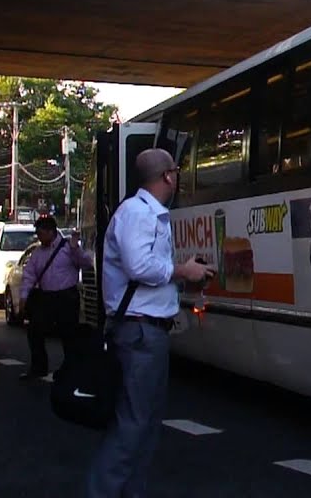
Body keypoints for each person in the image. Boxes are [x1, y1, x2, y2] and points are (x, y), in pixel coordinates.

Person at [85, 148, 214, 498]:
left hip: (146, 332)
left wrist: (185, 274)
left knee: (143, 427)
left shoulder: (147, 214)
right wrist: (181, 270)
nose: (178, 178)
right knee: (132, 428)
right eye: (176, 172)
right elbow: (139, 266)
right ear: (168, 177)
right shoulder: (138, 214)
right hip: (139, 332)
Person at [18, 215, 92, 380]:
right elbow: (29, 275)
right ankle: (39, 367)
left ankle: (71, 369)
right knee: (35, 331)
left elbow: (86, 263)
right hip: (46, 296)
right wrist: (24, 296)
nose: (39, 238)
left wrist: (75, 249)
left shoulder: (68, 247)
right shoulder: (38, 253)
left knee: (69, 335)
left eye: (41, 234)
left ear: (51, 232)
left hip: (66, 296)